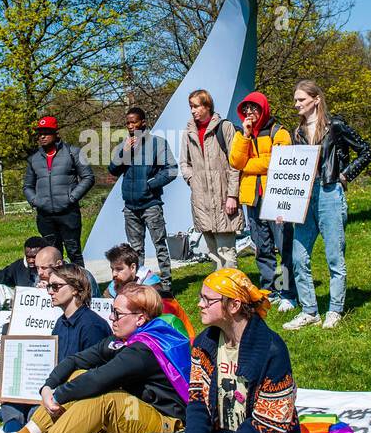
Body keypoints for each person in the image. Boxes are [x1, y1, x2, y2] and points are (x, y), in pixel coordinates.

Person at [135, 269, 312, 433]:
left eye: (207, 300)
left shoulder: (272, 349)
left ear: (234, 305)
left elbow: (268, 426)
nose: (199, 304)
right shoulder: (205, 343)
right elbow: (196, 402)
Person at [0, 284, 189, 433]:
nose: (111, 319)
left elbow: (99, 379)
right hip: (140, 413)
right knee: (78, 374)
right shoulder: (123, 339)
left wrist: (57, 397)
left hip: (165, 429)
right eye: (112, 311)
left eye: (118, 314)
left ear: (140, 318)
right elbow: (76, 361)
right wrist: (48, 387)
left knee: (104, 399)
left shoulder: (143, 349)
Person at [282, 80, 371, 331]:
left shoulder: (336, 127)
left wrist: (345, 176)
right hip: (304, 198)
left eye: (301, 99)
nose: (296, 104)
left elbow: (366, 151)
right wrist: (284, 205)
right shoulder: (296, 132)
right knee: (299, 257)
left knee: (334, 256)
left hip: (330, 192)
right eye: (296, 99)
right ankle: (309, 310)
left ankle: (335, 309)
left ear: (316, 99)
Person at [0, 262, 111, 433]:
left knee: (37, 408)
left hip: (74, 392)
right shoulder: (61, 322)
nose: (49, 292)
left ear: (76, 288)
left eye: (56, 286)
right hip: (55, 383)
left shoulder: (92, 326)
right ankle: (12, 432)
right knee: (11, 399)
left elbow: (93, 375)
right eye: (49, 286)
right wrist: (12, 386)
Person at [229, 91, 298, 313]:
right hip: (254, 198)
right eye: (246, 109)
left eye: (254, 108)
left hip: (276, 197)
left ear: (263, 109)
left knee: (283, 245)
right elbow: (236, 161)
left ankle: (288, 290)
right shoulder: (243, 135)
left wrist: (250, 164)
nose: (250, 113)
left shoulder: (279, 132)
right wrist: (246, 136)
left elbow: (277, 162)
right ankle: (270, 289)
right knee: (262, 246)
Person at [108, 106, 178, 296]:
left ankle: (166, 285)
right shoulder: (125, 145)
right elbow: (112, 170)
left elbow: (171, 169)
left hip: (151, 205)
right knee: (135, 250)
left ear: (143, 123)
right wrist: (123, 152)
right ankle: (139, 286)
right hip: (130, 207)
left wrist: (151, 184)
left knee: (159, 244)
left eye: (134, 122)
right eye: (128, 123)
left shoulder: (157, 143)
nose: (130, 126)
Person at [180, 89, 242, 270]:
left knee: (227, 253)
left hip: (223, 198)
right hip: (201, 201)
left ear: (207, 106)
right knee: (213, 254)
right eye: (191, 107)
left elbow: (235, 164)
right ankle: (217, 295)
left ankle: (232, 293)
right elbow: (185, 162)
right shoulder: (189, 131)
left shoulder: (224, 127)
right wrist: (192, 180)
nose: (192, 110)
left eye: (196, 106)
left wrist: (232, 195)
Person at [23, 116, 94, 266]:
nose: (42, 136)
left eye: (47, 132)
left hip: (68, 213)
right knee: (51, 254)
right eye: (40, 133)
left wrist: (72, 197)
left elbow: (88, 177)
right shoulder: (34, 159)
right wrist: (35, 201)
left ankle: (81, 286)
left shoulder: (73, 152)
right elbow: (27, 186)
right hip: (45, 215)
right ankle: (57, 287)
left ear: (56, 133)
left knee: (74, 251)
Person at [103, 242, 195, 339]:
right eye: (112, 269)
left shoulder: (153, 288)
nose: (114, 274)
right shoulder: (116, 284)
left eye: (119, 269)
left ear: (132, 267)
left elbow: (163, 323)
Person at [0, 236, 48, 330]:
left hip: (45, 309)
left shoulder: (54, 266)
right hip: (22, 304)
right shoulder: (19, 266)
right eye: (28, 257)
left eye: (34, 257)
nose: (30, 261)